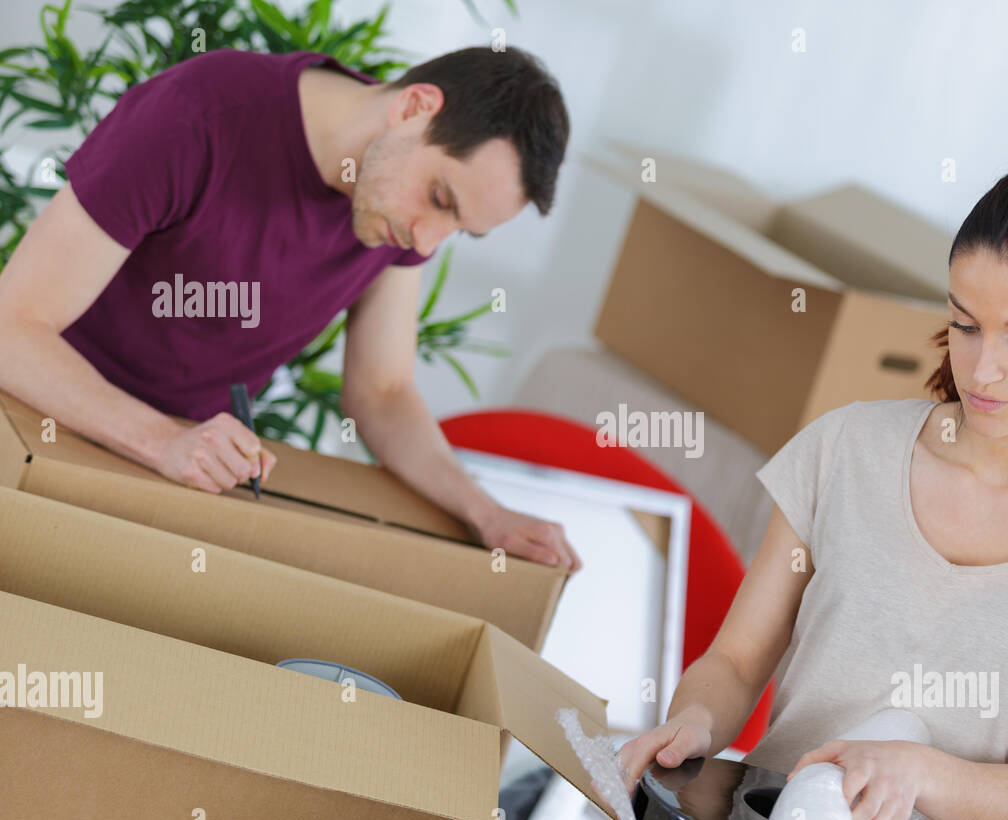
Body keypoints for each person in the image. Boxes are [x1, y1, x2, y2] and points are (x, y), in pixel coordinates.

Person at [615, 145, 1008, 820]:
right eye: (964, 323)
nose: (983, 369)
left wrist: (913, 771)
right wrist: (696, 720)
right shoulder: (848, 447)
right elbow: (735, 661)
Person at [0, 45, 581, 571]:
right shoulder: (196, 115)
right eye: (439, 198)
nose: (426, 243)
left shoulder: (393, 216)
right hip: (36, 421)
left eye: (459, 229)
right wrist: (160, 441)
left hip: (175, 470)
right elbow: (12, 329)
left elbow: (381, 394)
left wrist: (488, 515)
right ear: (413, 108)